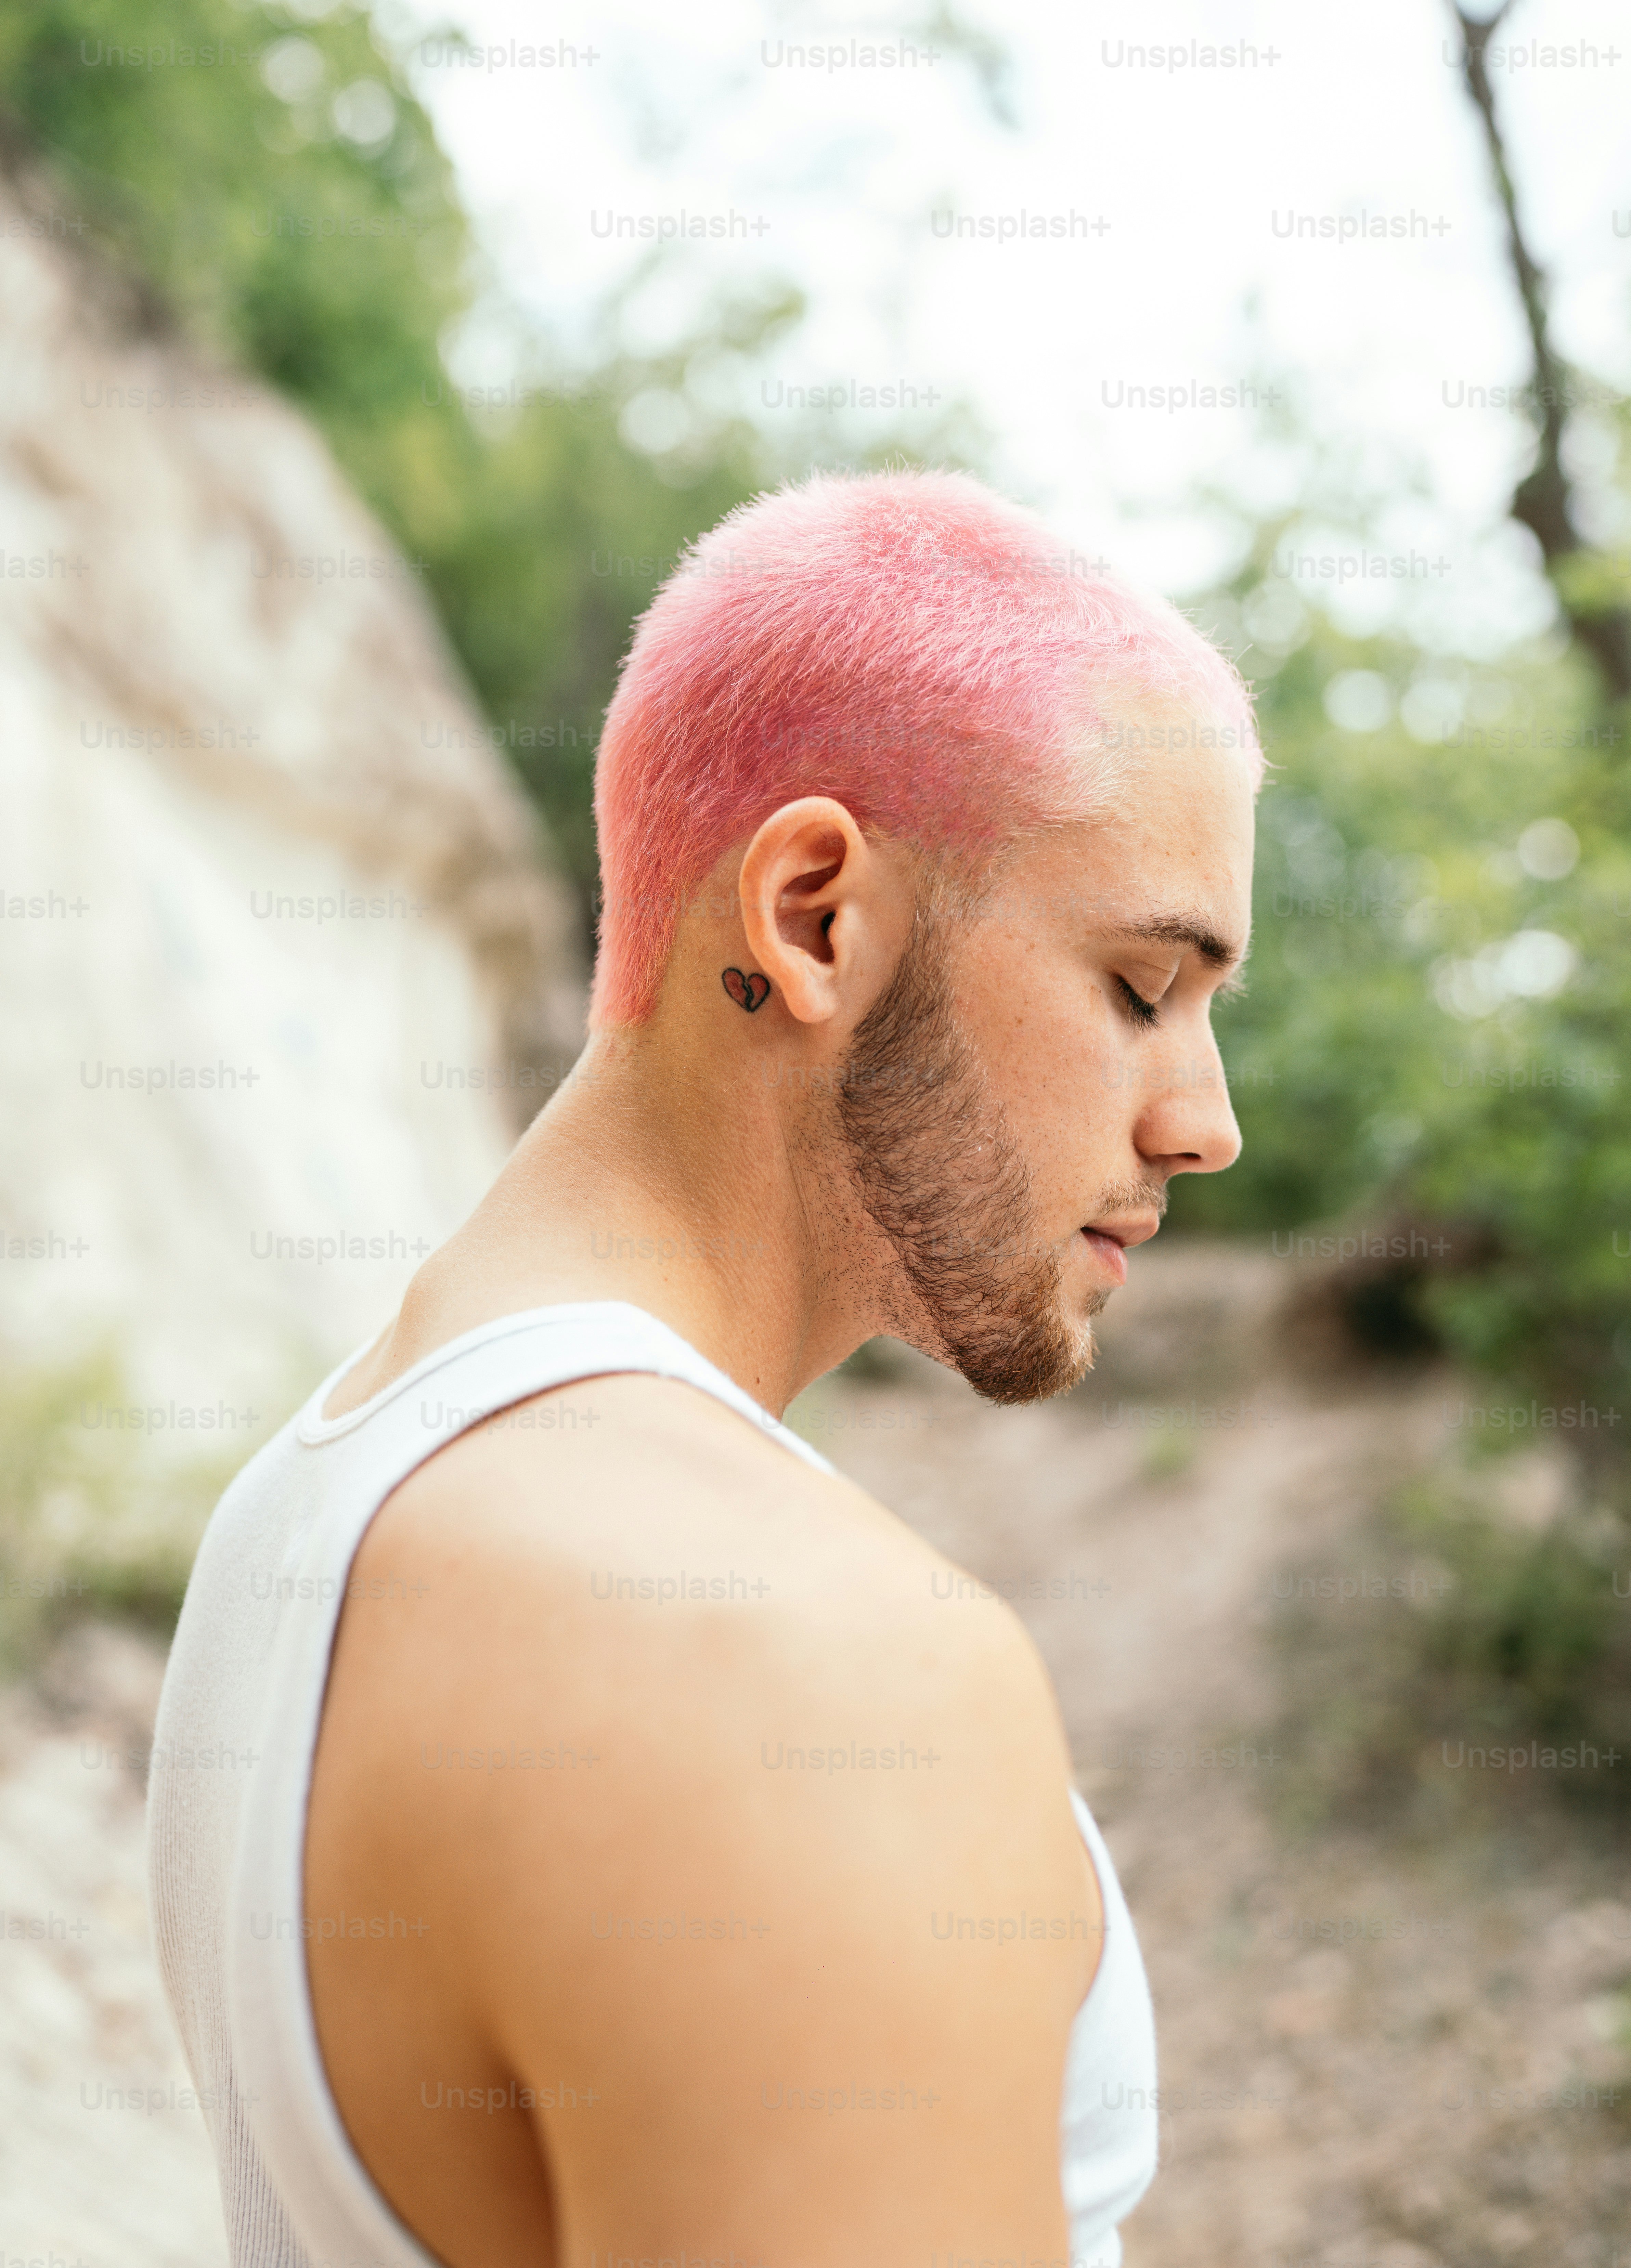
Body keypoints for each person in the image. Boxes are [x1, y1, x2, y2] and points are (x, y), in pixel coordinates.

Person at [149, 468, 1260, 2268]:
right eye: (1141, 985)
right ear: (814, 913)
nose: (1203, 1122)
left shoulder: (310, 1502)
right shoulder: (793, 1665)